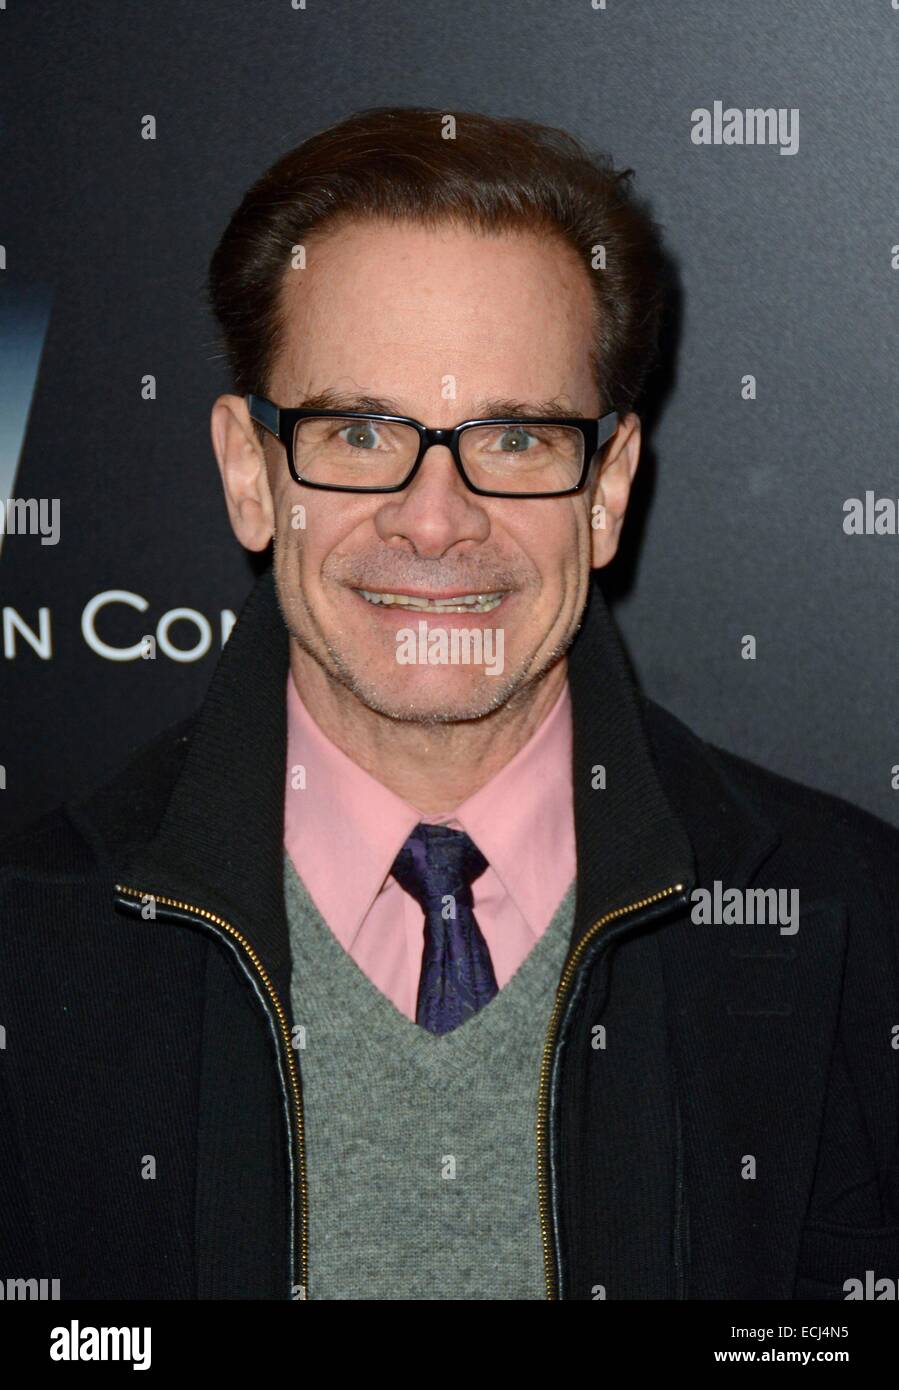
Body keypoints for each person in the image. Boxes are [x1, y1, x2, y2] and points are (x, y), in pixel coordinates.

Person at [2, 106, 897, 1302]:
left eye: (515, 436)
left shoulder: (857, 932)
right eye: (360, 431)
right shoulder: (26, 956)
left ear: (606, 489)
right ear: (248, 475)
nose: (434, 520)